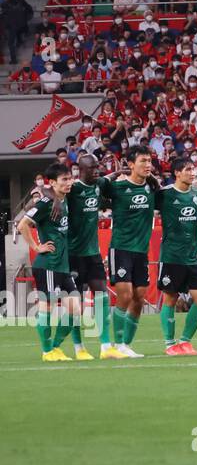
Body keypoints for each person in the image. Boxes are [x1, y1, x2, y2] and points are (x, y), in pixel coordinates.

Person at [98, 146, 159, 358]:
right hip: (121, 248)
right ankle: (113, 345)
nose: (148, 165)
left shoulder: (152, 188)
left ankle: (125, 344)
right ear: (131, 164)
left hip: (141, 251)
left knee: (139, 297)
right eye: (143, 161)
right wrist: (111, 174)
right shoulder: (118, 187)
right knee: (123, 295)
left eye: (149, 161)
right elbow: (96, 186)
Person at [19, 163, 80, 362]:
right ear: (52, 182)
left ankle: (55, 348)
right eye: (64, 179)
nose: (69, 182)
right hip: (48, 265)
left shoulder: (63, 199)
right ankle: (47, 351)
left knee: (75, 309)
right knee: (48, 307)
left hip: (62, 265)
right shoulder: (46, 202)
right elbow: (22, 225)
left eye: (70, 178)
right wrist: (37, 247)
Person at [157, 159, 197, 356]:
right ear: (177, 173)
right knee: (170, 299)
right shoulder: (165, 194)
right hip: (172, 256)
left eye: (193, 169)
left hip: (192, 257)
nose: (193, 173)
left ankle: (185, 342)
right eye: (188, 170)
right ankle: (170, 344)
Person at [65, 153, 111, 359]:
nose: (96, 170)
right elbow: (44, 190)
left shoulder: (98, 184)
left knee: (102, 295)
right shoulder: (72, 188)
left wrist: (121, 171)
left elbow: (109, 177)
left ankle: (105, 346)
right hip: (73, 255)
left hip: (93, 254)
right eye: (92, 168)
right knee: (76, 303)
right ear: (81, 170)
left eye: (97, 167)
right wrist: (56, 201)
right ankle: (79, 347)